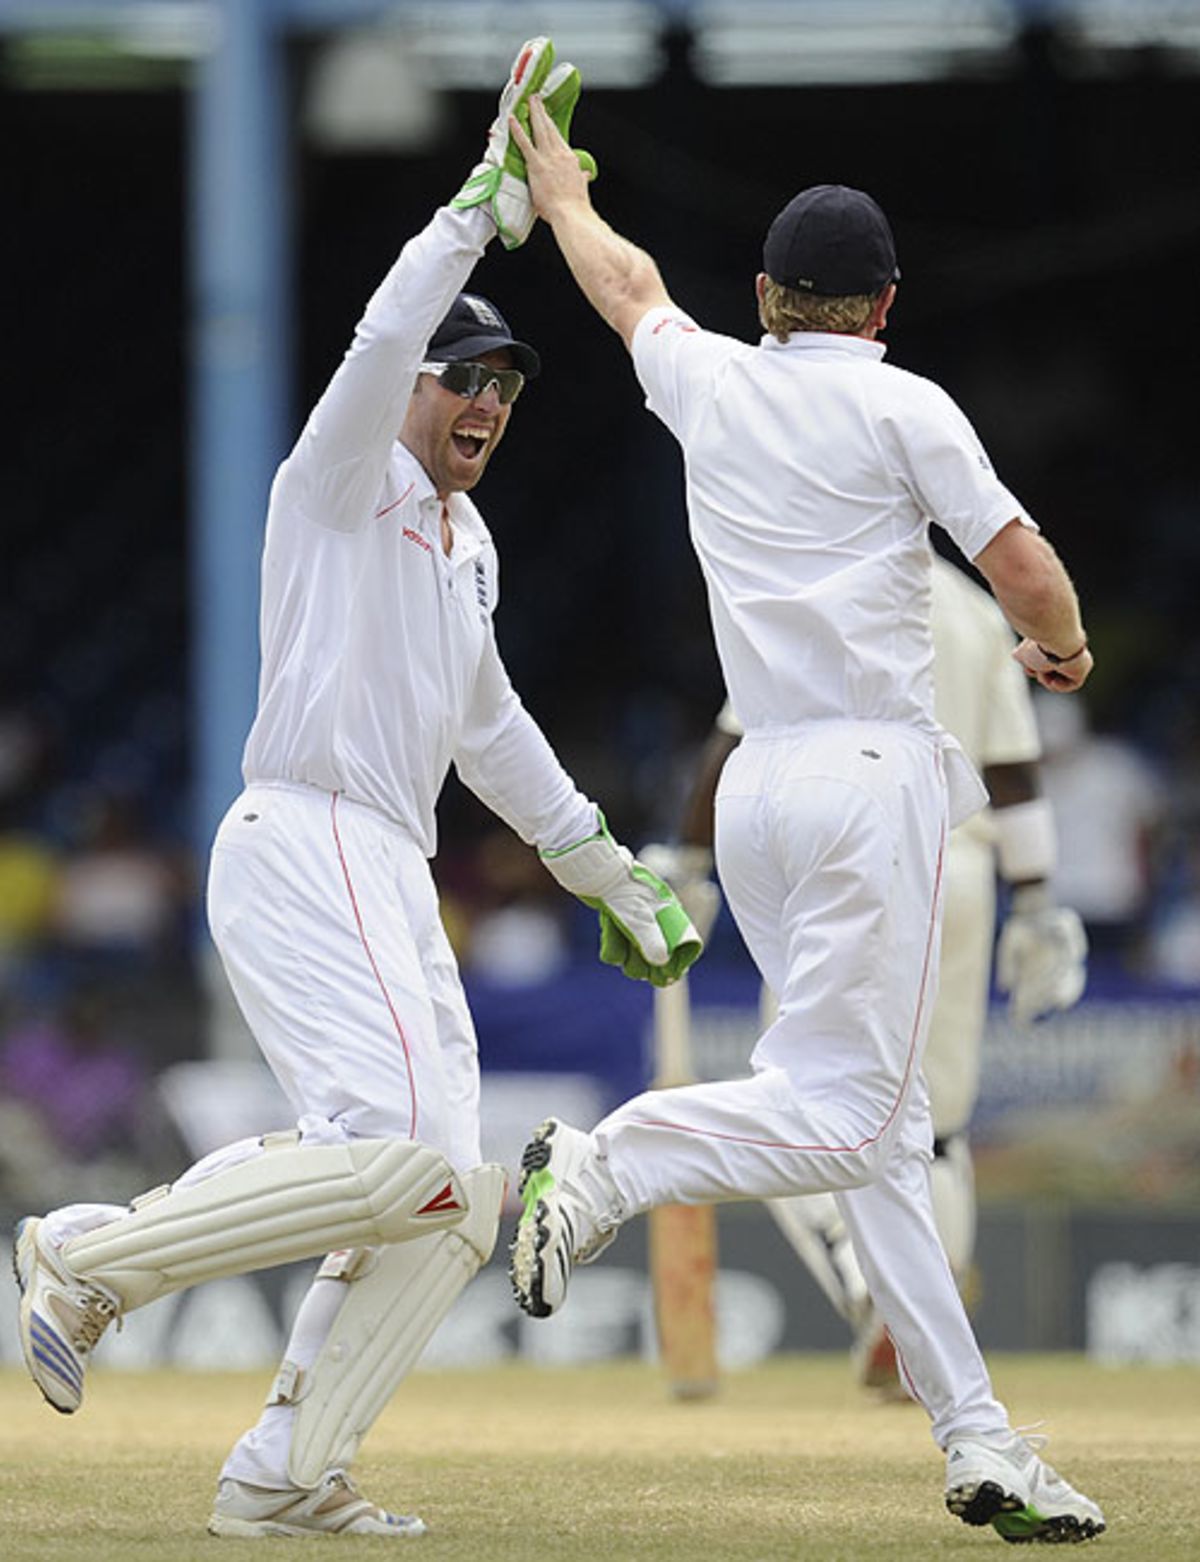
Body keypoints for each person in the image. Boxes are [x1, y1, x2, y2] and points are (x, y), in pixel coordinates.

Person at [11, 41, 699, 1542]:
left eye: (508, 387)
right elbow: (388, 331)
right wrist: (476, 205)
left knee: (453, 1194)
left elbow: (490, 726)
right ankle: (86, 1257)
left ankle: (282, 1472)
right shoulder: (334, 480)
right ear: (413, 388)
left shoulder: (468, 546)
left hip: (388, 855)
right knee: (391, 1150)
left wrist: (603, 869)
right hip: (300, 828)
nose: (490, 406)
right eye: (470, 378)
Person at [507, 98, 1105, 1544]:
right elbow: (1021, 564)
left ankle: (979, 1443)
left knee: (884, 1139)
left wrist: (559, 191)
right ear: (887, 302)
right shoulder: (908, 404)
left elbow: (627, 287)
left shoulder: (713, 378)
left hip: (758, 784)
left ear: (770, 298)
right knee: (861, 1116)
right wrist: (1070, 655)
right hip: (873, 783)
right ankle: (603, 1168)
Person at [644, 554, 1090, 1395]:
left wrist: (689, 861)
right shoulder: (972, 610)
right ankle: (923, 1328)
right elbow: (1014, 772)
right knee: (938, 1125)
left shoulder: (818, 588)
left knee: (800, 1092)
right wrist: (1036, 903)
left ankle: (866, 1282)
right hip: (959, 866)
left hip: (852, 852)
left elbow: (735, 737)